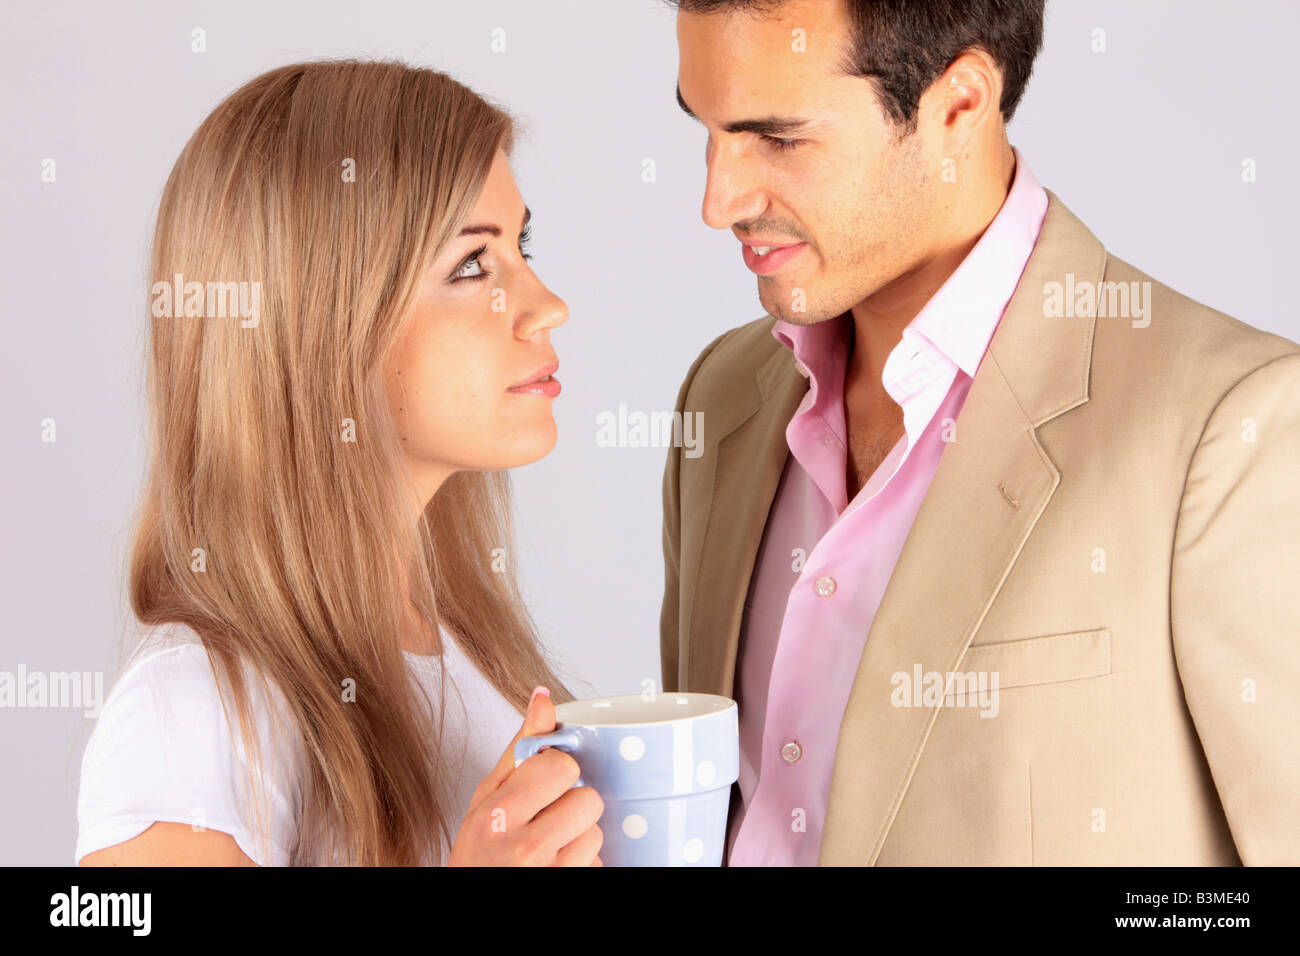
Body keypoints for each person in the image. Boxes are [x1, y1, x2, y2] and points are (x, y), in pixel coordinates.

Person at [659, 0, 1300, 865]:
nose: (715, 201)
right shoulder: (721, 399)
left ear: (959, 103)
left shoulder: (1234, 426)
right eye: (707, 131)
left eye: (776, 139)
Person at [76, 59, 604, 866]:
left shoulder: (469, 661)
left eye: (520, 245)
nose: (546, 305)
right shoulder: (193, 712)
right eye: (473, 265)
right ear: (320, 325)